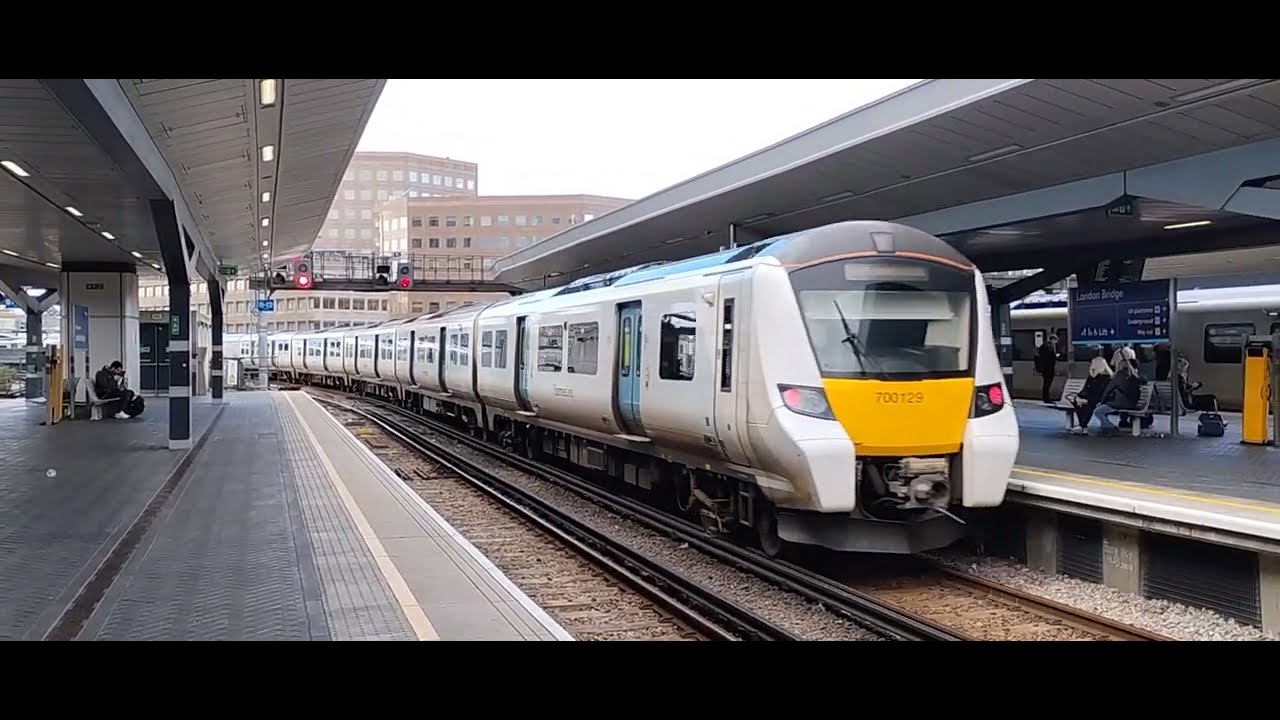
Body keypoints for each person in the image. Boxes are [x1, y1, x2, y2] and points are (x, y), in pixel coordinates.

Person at [1092, 347, 1145, 436]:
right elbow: (1142, 381)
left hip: (1119, 403)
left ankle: (1109, 427)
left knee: (1098, 411)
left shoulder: (1119, 376)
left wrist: (1102, 401)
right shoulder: (1134, 378)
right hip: (1130, 402)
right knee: (1101, 408)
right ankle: (1106, 427)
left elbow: (1108, 390)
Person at [1068, 356, 1113, 435]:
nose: (1091, 365)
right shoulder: (1092, 376)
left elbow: (1099, 393)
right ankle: (1082, 426)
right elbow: (1086, 389)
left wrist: (1086, 399)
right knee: (1079, 403)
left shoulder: (1105, 378)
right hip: (1091, 398)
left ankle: (1082, 426)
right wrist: (1079, 397)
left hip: (1101, 399)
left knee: (1087, 405)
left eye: (1092, 364)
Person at [1036, 336, 1059, 403]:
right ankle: (1046, 398)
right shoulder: (1049, 347)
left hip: (1045, 369)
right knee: (1047, 384)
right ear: (1052, 340)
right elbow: (1050, 358)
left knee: (1046, 384)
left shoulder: (1044, 346)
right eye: (1055, 340)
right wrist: (1055, 357)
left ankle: (1045, 397)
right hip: (1048, 368)